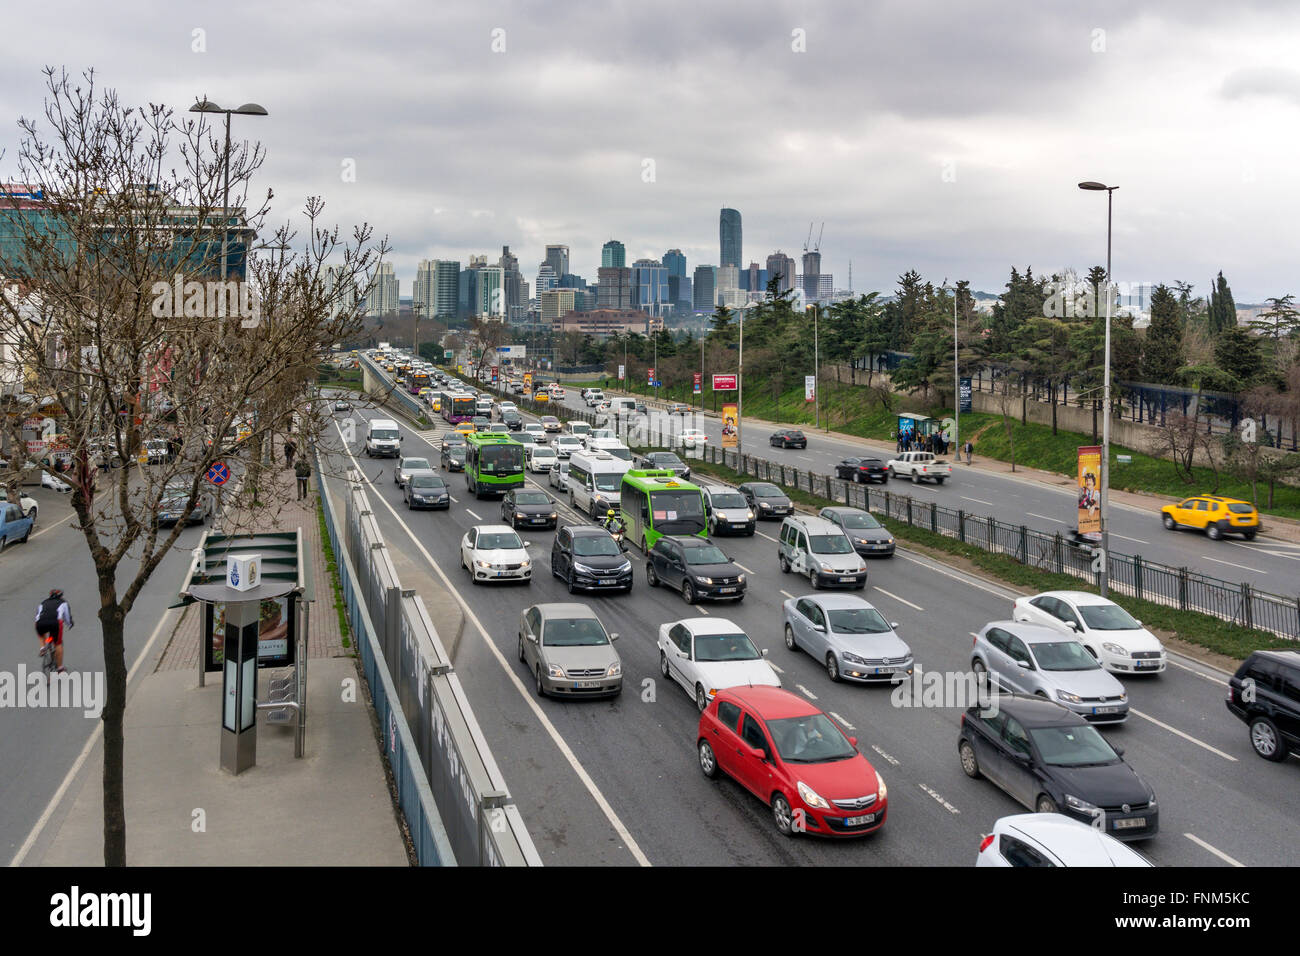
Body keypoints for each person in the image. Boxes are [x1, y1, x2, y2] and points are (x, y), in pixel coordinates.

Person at [35, 588, 74, 674]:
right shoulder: (63, 602)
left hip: (41, 623)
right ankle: (60, 668)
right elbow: (67, 617)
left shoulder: (43, 603)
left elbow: (37, 616)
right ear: (61, 596)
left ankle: (42, 648)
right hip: (55, 623)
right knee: (58, 643)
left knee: (41, 633)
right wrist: (70, 624)